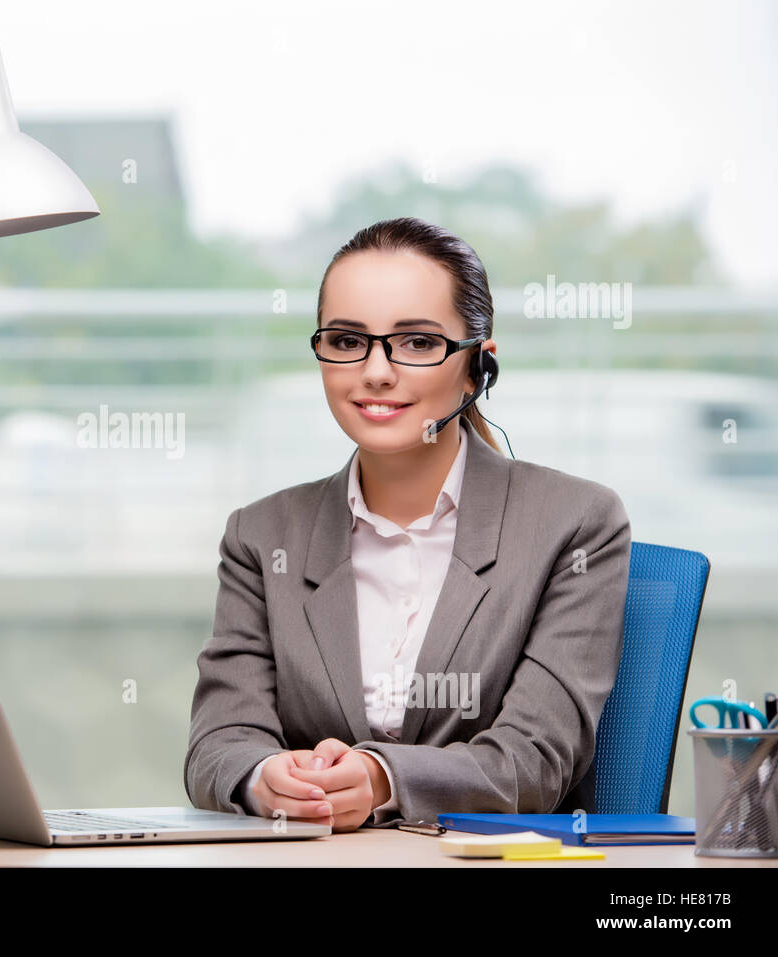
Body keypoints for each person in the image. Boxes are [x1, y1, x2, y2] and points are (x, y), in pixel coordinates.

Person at [184, 216, 631, 832]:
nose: (375, 372)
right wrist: (267, 780)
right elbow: (219, 742)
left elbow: (535, 760)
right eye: (346, 341)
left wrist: (380, 778)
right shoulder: (262, 536)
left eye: (417, 343)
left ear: (479, 365)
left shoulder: (574, 523)